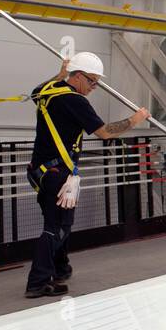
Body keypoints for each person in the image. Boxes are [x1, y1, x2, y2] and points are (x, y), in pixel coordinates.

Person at [25, 52, 150, 298]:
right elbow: (104, 133)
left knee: (59, 224)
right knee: (57, 227)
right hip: (56, 174)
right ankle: (38, 282)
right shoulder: (75, 100)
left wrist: (60, 75)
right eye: (92, 81)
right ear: (79, 76)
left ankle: (60, 269)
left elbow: (34, 93)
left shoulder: (50, 91)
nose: (94, 87)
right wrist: (135, 120)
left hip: (42, 170)